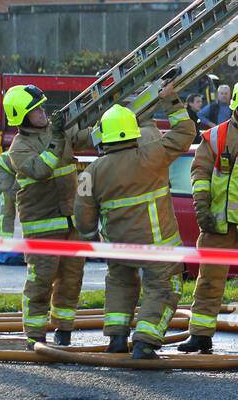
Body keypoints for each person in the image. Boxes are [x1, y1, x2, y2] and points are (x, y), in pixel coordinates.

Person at [74, 82, 196, 360]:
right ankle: (145, 342)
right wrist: (172, 102)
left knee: (119, 283)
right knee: (164, 287)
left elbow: (83, 216)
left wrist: (91, 235)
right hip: (158, 245)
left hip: (117, 246)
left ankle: (117, 338)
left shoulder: (91, 172)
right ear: (133, 131)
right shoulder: (151, 154)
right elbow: (185, 133)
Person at [178, 76, 238, 354]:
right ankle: (200, 335)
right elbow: (200, 174)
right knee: (208, 280)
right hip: (218, 224)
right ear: (237, 107)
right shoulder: (215, 136)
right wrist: (201, 207)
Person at [5, 84, 93, 349]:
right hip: (42, 227)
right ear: (21, 116)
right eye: (36, 110)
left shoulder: (61, 131)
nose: (43, 113)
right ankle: (34, 335)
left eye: (42, 107)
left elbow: (87, 137)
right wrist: (56, 137)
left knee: (72, 277)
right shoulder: (18, 149)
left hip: (71, 221)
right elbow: (42, 168)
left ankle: (63, 331)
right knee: (40, 280)